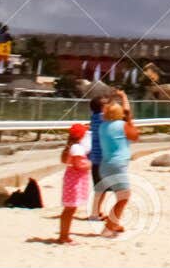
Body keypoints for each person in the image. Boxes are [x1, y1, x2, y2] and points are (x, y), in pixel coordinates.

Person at [96, 92, 139, 234]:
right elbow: (135, 136)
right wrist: (130, 120)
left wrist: (121, 98)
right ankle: (109, 228)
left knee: (119, 196)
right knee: (124, 197)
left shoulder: (103, 126)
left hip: (105, 166)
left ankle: (114, 223)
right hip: (117, 165)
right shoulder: (122, 125)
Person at [57, 123, 92, 244]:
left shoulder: (70, 147)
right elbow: (79, 164)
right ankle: (63, 236)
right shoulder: (77, 148)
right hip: (75, 181)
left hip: (71, 180)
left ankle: (64, 234)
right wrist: (90, 164)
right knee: (70, 209)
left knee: (69, 208)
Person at [87, 96, 108, 220]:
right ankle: (95, 213)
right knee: (101, 189)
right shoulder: (102, 118)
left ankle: (97, 211)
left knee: (100, 188)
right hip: (101, 158)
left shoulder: (94, 118)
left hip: (95, 158)